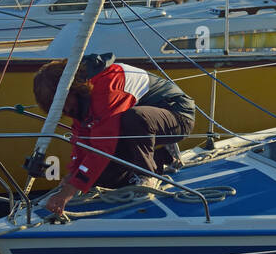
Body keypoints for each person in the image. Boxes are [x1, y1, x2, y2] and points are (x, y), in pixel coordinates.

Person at [33, 54, 197, 215]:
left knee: (134, 118)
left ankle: (148, 175)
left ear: (70, 90)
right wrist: (72, 176)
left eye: (63, 105)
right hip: (141, 123)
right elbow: (82, 140)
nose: (66, 111)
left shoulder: (107, 88)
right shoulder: (79, 99)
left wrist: (69, 191)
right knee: (100, 176)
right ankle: (162, 157)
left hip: (179, 116)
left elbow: (103, 146)